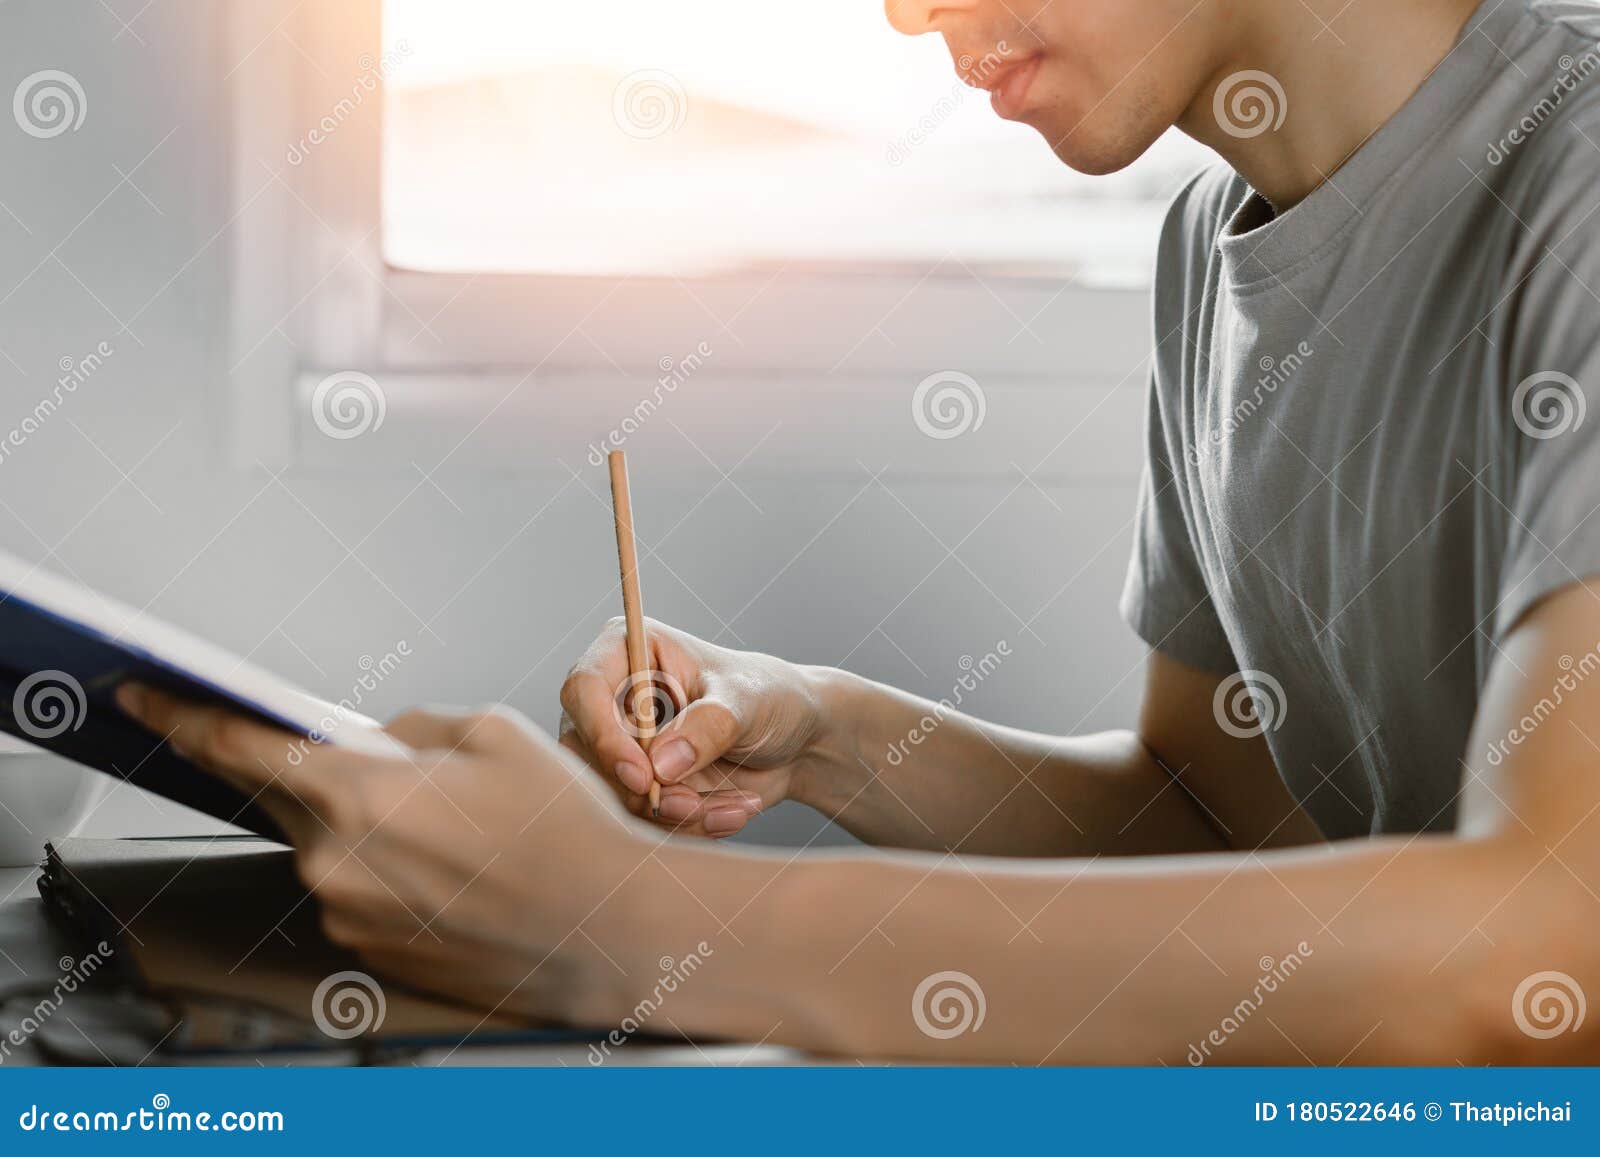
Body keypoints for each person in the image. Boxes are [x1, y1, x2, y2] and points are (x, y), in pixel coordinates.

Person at [120, 0, 1600, 1062]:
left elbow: (1544, 957)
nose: (907, 14)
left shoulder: (1576, 186)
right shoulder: (1209, 257)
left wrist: (643, 919)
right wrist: (827, 727)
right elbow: (1225, 824)